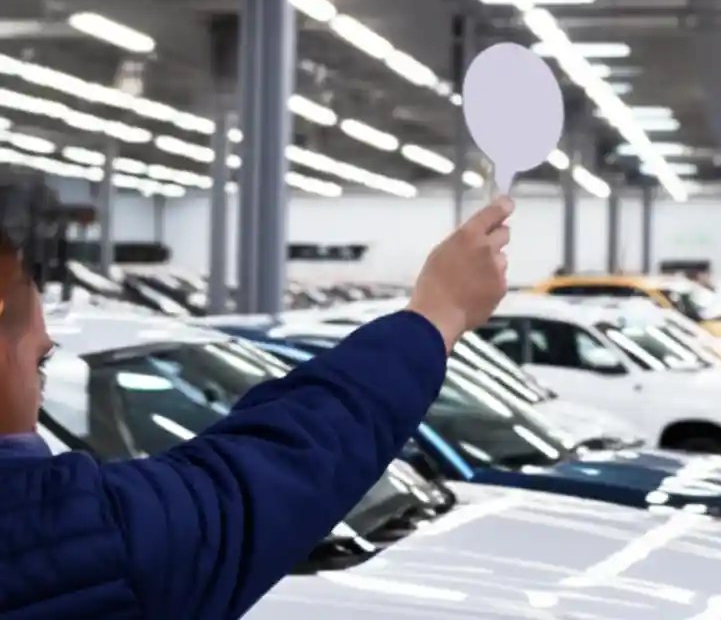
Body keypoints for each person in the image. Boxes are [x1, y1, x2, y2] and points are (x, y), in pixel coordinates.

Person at [0, 198, 514, 619]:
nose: (38, 390)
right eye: (39, 366)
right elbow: (270, 466)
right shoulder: (59, 540)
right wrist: (437, 313)